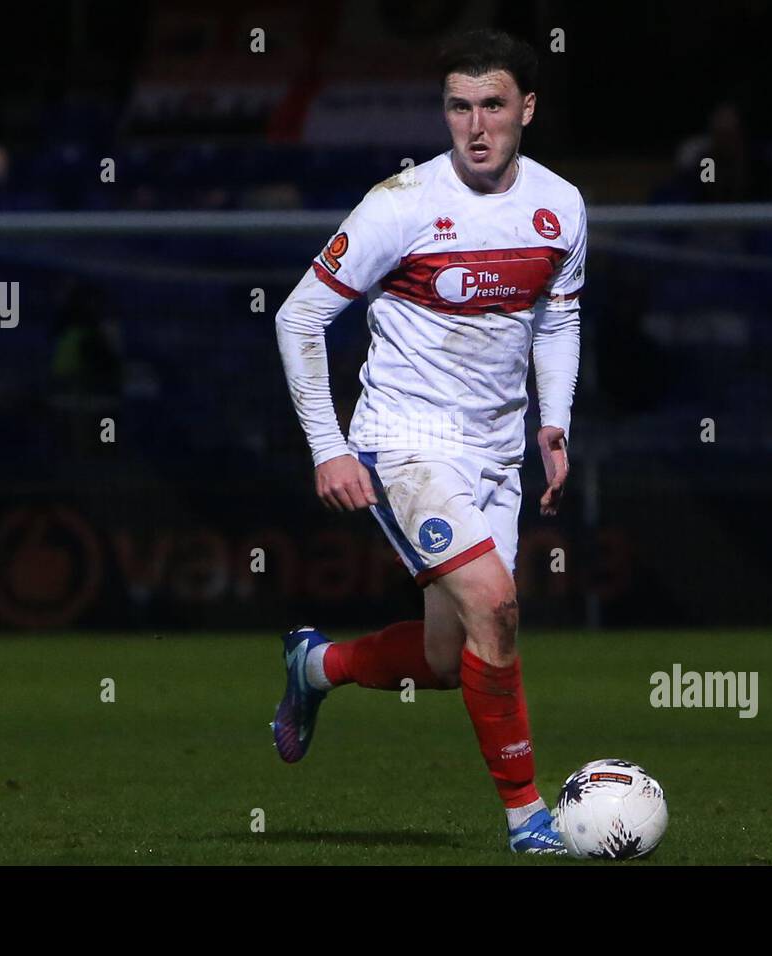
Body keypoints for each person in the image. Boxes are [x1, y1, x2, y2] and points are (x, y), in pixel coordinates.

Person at [271, 28, 584, 854]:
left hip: (495, 453)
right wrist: (328, 447)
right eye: (458, 106)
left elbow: (560, 313)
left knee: (451, 660)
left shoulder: (561, 206)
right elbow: (298, 314)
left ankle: (315, 667)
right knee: (498, 607)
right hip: (405, 445)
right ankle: (529, 818)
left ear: (527, 109)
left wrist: (553, 421)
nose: (475, 126)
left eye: (492, 105)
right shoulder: (402, 204)